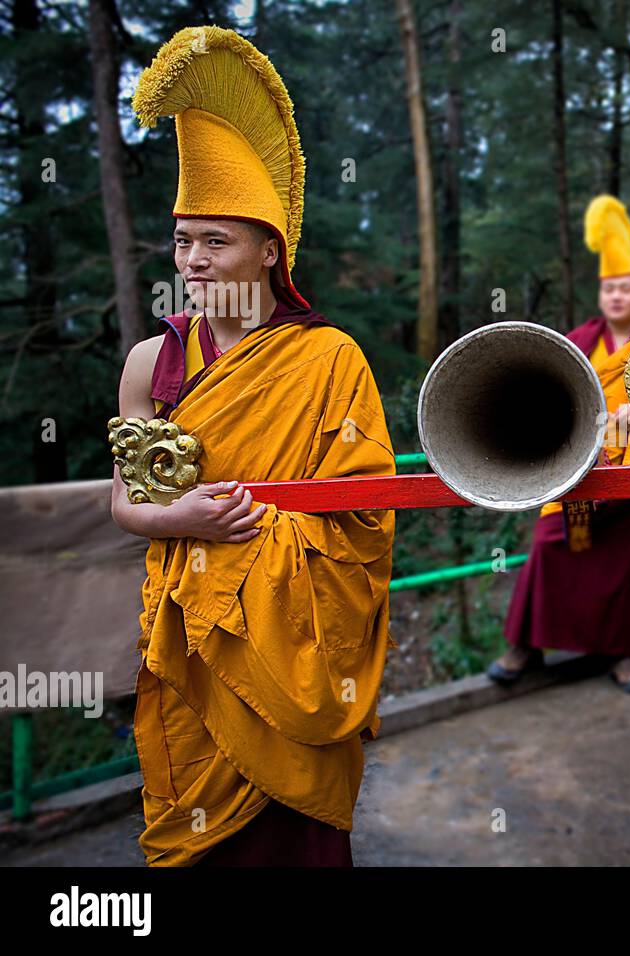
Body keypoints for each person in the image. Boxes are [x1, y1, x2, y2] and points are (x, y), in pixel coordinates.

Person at [112, 26, 394, 866]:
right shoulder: (149, 365)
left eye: (216, 241)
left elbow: (366, 522)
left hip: (290, 650)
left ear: (269, 250)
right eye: (182, 241)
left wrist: (261, 548)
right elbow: (124, 504)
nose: (193, 262)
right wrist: (185, 520)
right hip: (188, 647)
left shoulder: (329, 359)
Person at [493, 196, 630, 694]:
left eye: (626, 288)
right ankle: (524, 648)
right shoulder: (577, 340)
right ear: (601, 296)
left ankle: (620, 659)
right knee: (550, 551)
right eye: (608, 288)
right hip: (580, 474)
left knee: (626, 567)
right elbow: (552, 397)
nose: (616, 296)